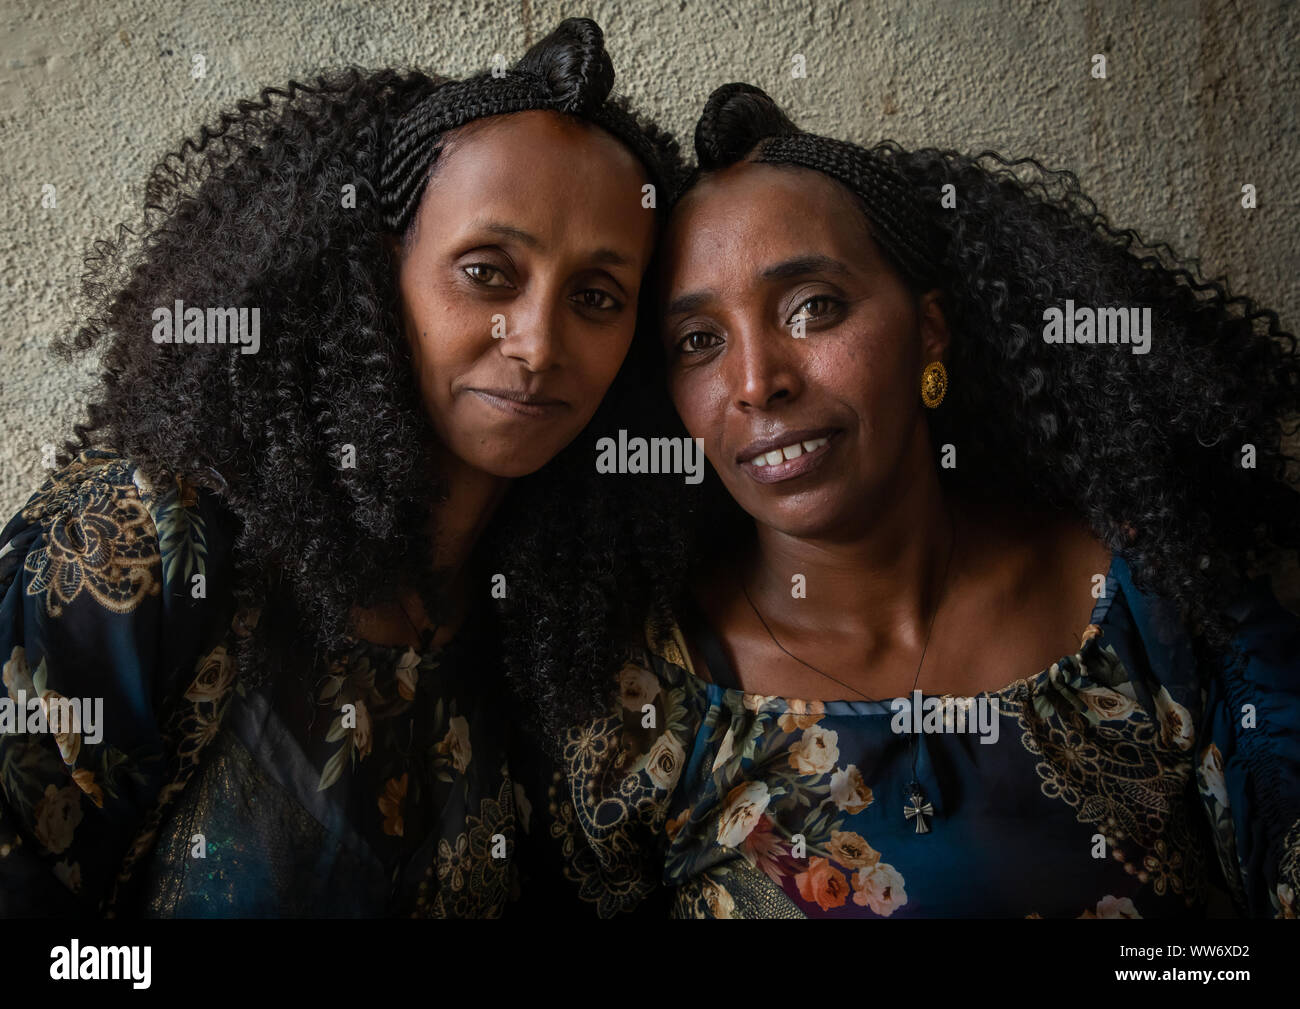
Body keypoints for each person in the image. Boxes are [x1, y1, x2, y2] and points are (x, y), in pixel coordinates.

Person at [513, 83, 1300, 918]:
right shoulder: (635, 700)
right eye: (698, 341)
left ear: (930, 330)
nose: (755, 382)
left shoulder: (1151, 604)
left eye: (813, 307)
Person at [0, 18, 686, 917]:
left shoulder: (569, 617)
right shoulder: (139, 543)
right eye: (487, 272)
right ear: (371, 274)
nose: (539, 343)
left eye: (598, 297)